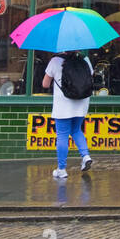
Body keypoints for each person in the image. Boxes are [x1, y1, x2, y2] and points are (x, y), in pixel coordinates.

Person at [42, 51, 95, 179]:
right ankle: (85, 156)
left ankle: (61, 169)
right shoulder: (85, 59)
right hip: (82, 102)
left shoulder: (55, 61)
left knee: (62, 135)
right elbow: (90, 77)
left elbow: (45, 84)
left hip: (63, 105)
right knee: (76, 130)